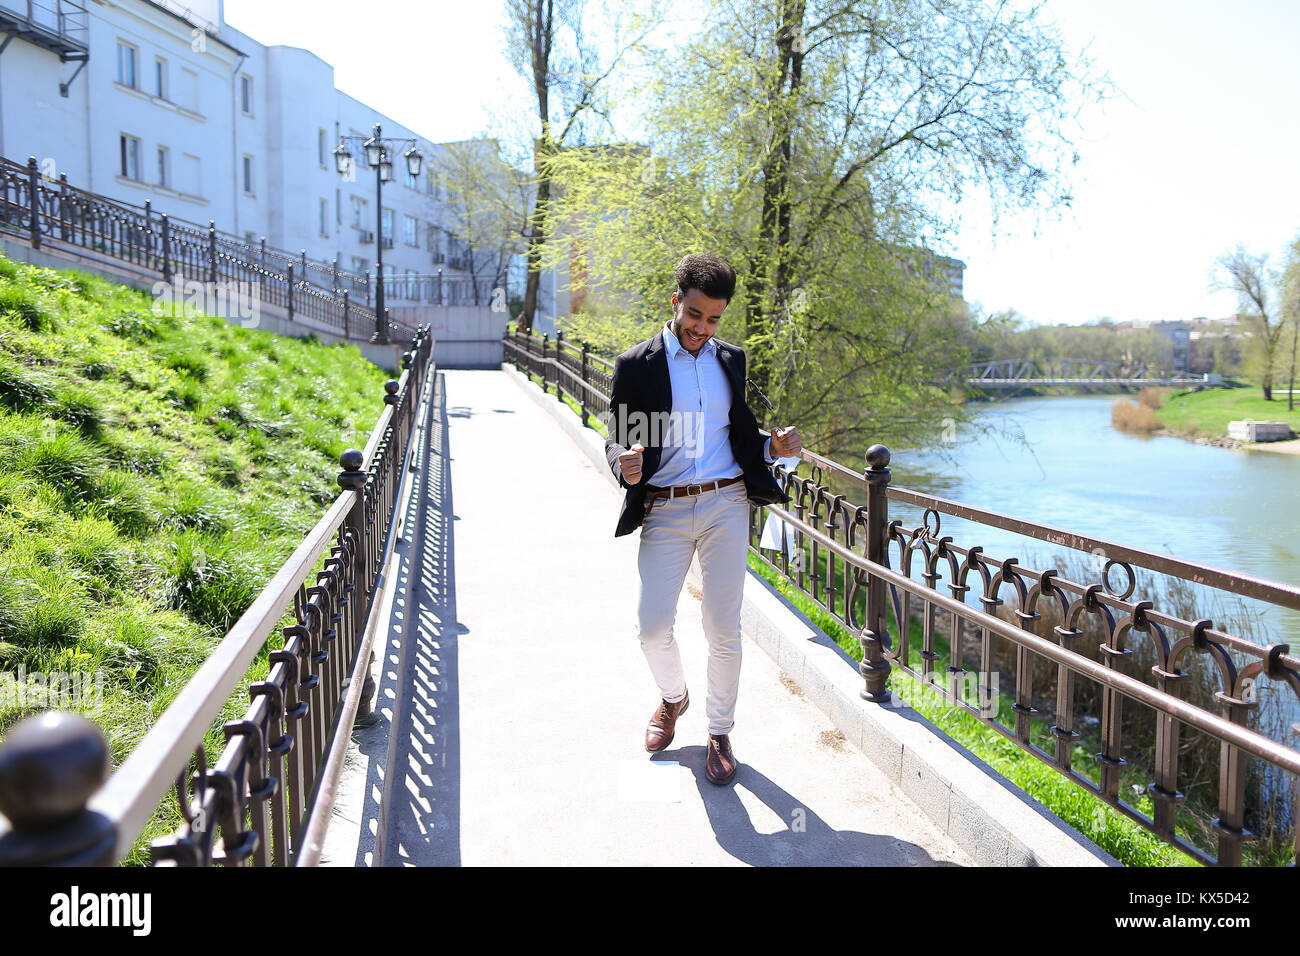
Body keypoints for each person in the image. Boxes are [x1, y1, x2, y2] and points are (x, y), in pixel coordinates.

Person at [604, 252, 802, 785]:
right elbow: (618, 440)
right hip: (665, 507)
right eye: (695, 315)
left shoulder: (729, 360)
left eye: (714, 319)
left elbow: (740, 434)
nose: (702, 328)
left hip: (725, 503)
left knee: (723, 626)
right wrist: (623, 462)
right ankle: (674, 698)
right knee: (651, 627)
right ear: (676, 303)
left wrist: (774, 447)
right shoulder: (636, 366)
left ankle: (719, 731)